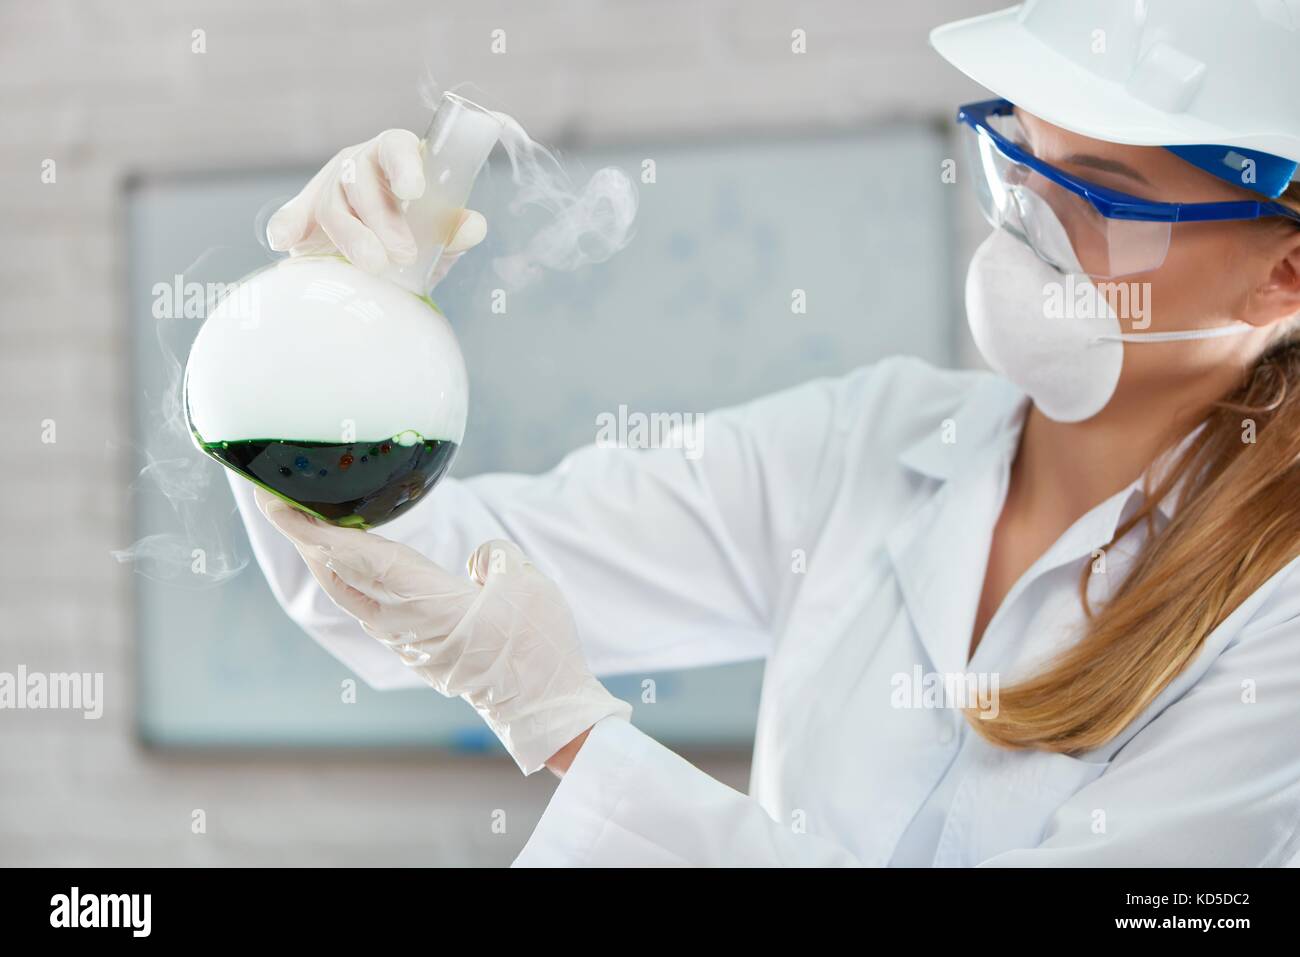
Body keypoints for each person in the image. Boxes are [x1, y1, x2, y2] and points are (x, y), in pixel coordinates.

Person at [234, 0, 1300, 865]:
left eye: (1101, 197)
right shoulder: (868, 441)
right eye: (1018, 159)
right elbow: (392, 588)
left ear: (1281, 275)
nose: (1024, 221)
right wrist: (326, 343)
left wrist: (575, 734)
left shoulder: (1278, 620)